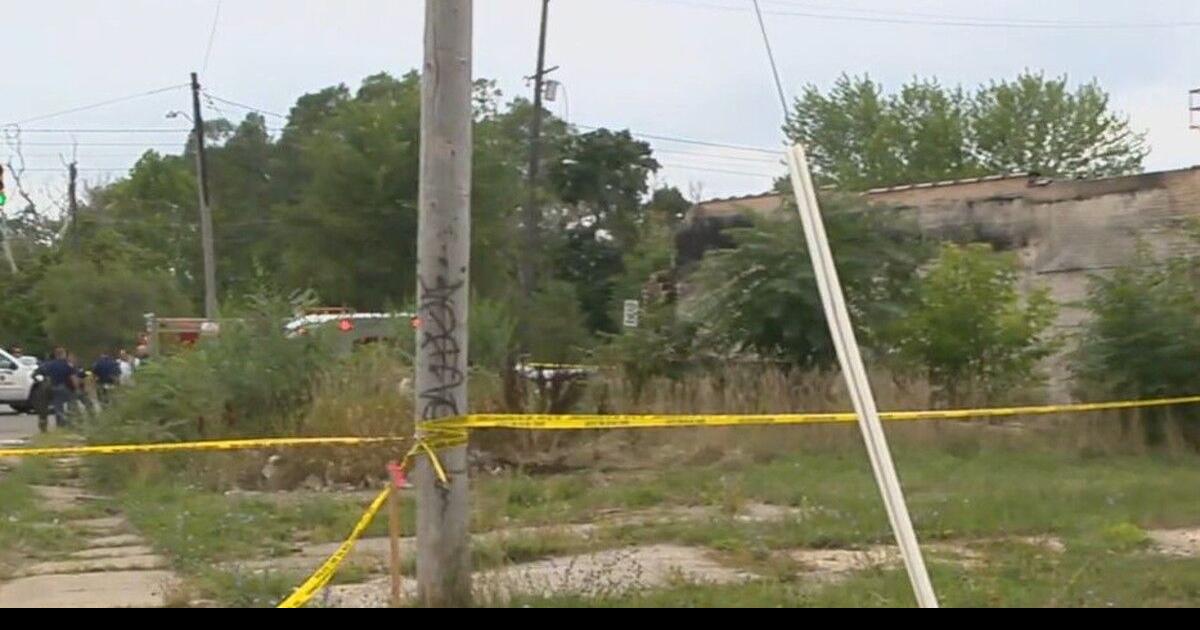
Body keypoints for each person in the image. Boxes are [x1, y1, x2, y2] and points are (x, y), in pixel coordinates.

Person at [33, 347, 74, 430]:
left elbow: (34, 375)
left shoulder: (46, 364)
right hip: (60, 387)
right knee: (59, 407)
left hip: (45, 387)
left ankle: (43, 426)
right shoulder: (66, 365)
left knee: (43, 408)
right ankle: (61, 426)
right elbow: (72, 378)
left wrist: (39, 382)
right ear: (63, 355)